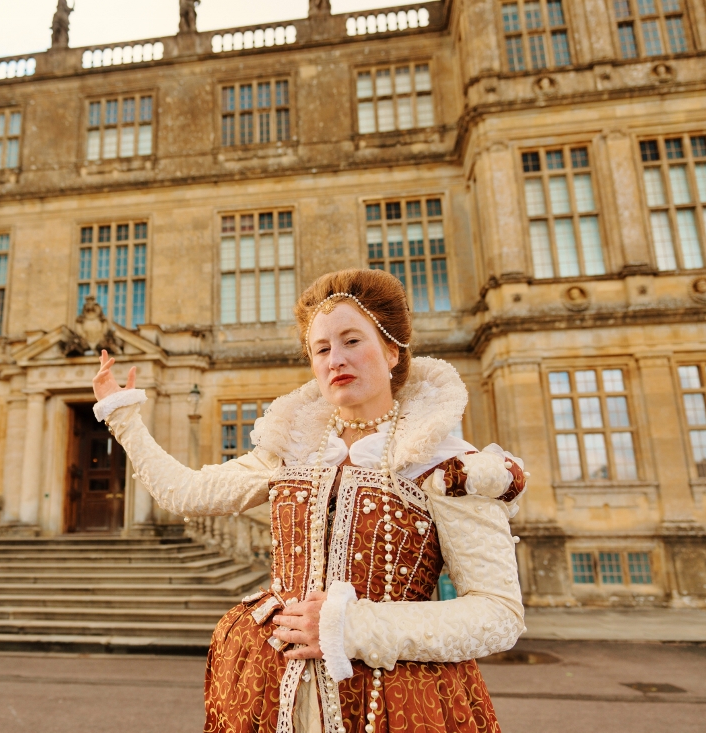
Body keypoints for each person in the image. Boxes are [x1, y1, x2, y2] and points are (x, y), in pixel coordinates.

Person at [93, 268, 527, 733]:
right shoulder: (292, 448)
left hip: (397, 702)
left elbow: (498, 613)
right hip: (274, 690)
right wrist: (124, 419)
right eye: (321, 349)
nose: (335, 358)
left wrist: (350, 627)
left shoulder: (447, 463)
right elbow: (186, 492)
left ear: (392, 351)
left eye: (351, 341)